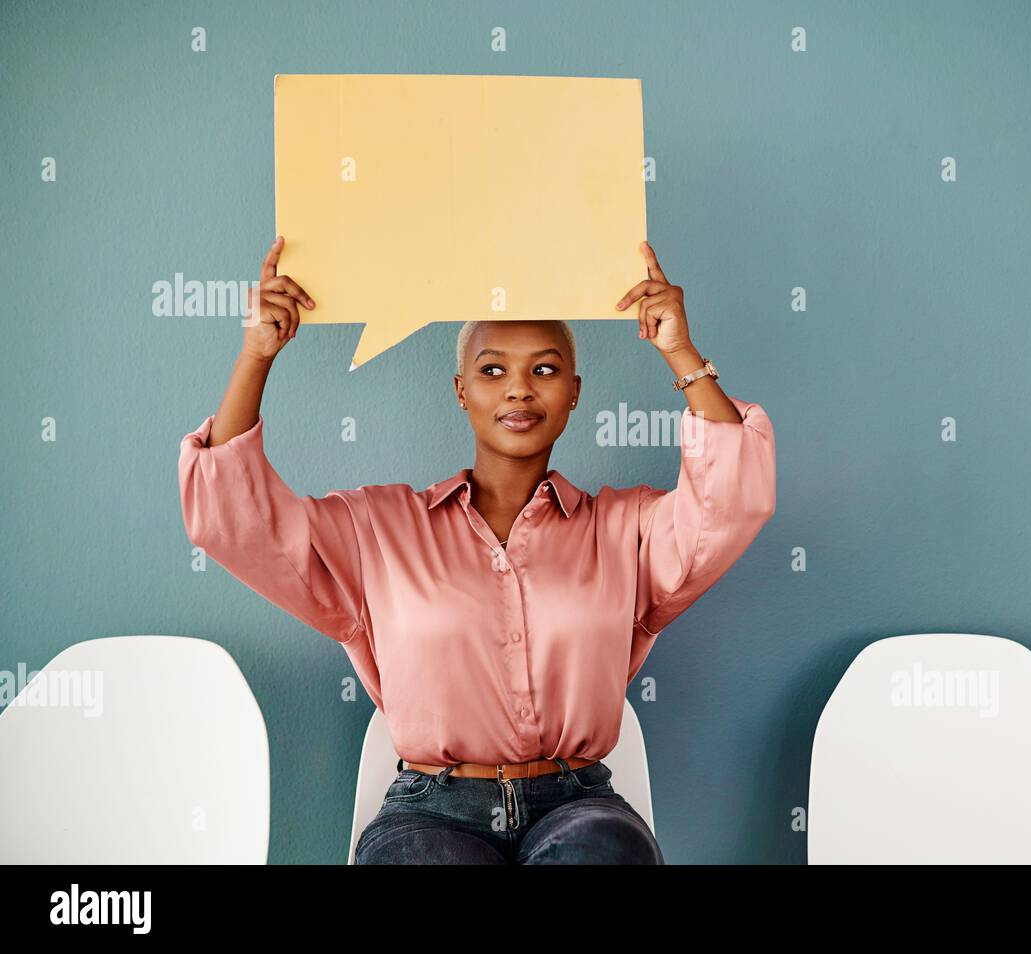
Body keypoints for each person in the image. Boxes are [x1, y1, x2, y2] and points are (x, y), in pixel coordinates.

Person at [177, 235, 777, 863]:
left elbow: (732, 502)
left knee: (604, 853)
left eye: (543, 370)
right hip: (429, 812)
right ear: (461, 390)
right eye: (493, 370)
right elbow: (233, 519)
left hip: (577, 804)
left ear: (573, 391)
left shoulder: (626, 530)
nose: (519, 390)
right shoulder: (378, 528)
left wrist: (680, 351)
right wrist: (257, 355)